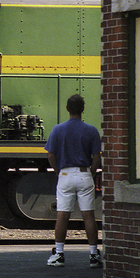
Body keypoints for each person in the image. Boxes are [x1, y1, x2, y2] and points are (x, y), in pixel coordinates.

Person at [44, 94, 102, 268]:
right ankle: (93, 255)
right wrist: (90, 172)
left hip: (65, 175)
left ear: (68, 109)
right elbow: (97, 157)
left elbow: (51, 155)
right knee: (88, 215)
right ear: (82, 109)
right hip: (84, 174)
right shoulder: (91, 130)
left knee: (63, 215)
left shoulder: (58, 130)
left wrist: (57, 171)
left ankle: (59, 254)